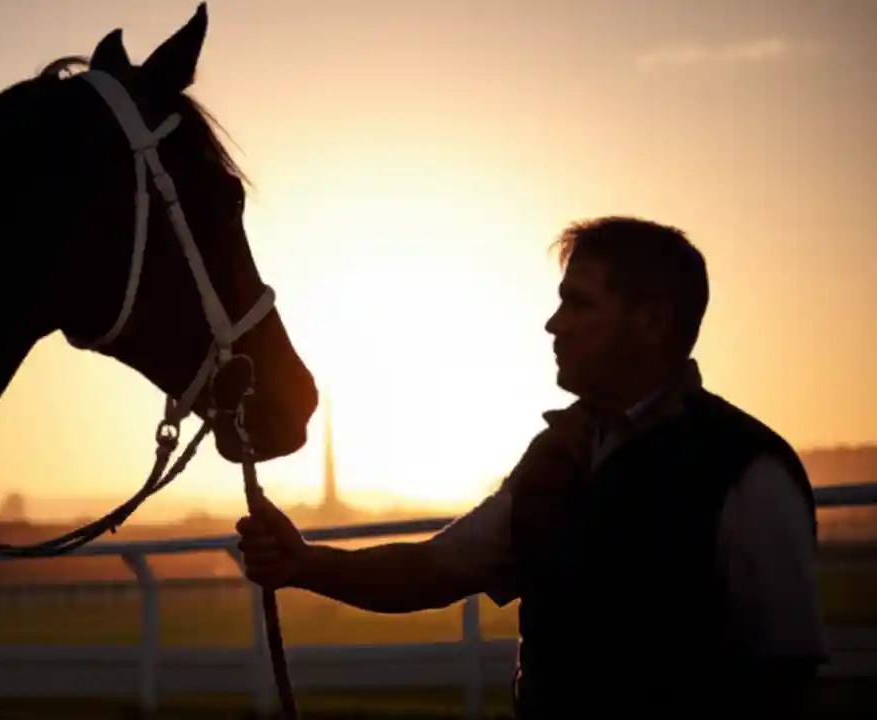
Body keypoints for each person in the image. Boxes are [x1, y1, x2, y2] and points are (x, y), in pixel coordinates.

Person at [236, 217, 828, 718]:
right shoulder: (559, 456)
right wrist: (305, 564)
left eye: (579, 302)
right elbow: (433, 570)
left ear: (650, 320)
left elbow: (784, 678)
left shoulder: (748, 471)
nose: (554, 323)